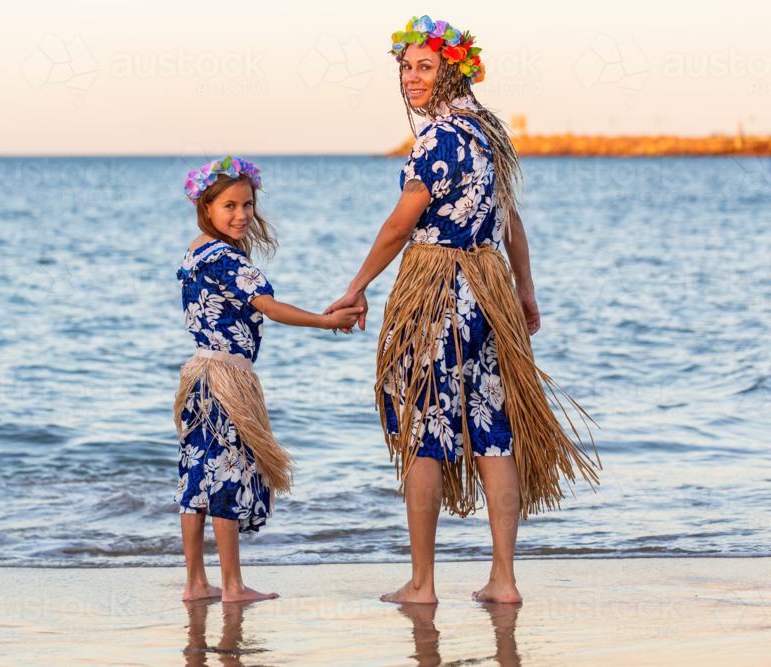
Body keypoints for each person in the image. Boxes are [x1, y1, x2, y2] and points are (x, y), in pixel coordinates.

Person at [325, 17, 601, 604]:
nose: (410, 77)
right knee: (495, 432)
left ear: (450, 69)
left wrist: (356, 286)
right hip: (490, 293)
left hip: (438, 293)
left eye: (424, 66)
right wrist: (525, 290)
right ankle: (503, 578)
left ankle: (422, 584)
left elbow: (402, 224)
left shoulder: (439, 137)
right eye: (405, 67)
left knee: (423, 427)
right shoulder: (490, 132)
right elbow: (512, 221)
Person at [175, 156, 364, 602]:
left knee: (195, 477)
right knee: (224, 476)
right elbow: (269, 307)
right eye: (229, 206)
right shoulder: (228, 261)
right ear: (206, 207)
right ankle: (233, 586)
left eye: (248, 204)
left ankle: (196, 583)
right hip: (225, 381)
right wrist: (324, 321)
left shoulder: (197, 249)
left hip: (199, 375)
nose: (241, 214)